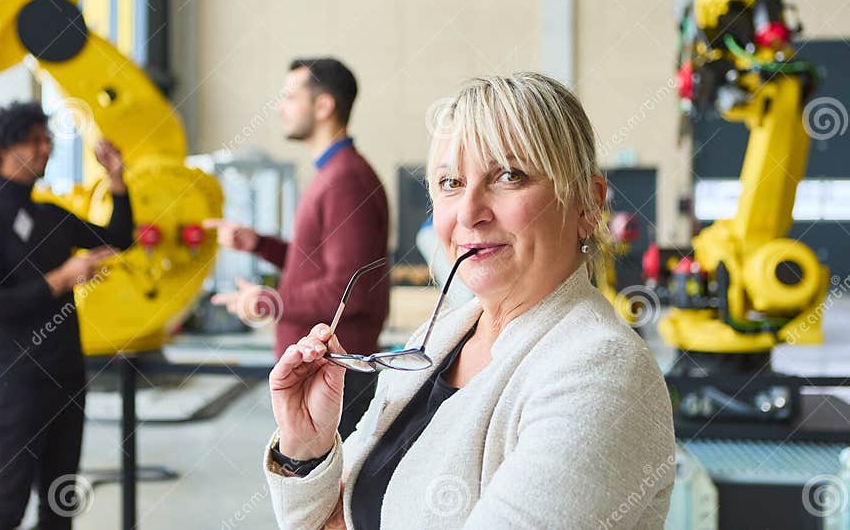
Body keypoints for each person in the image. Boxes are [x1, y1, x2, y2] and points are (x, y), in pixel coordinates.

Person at [262, 73, 675, 529]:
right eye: (451, 182)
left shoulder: (600, 373)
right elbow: (337, 519)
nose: (469, 213)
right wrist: (307, 451)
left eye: (509, 176)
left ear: (587, 205)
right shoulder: (439, 338)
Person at [0, 102, 134, 530]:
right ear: (2, 148)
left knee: (60, 503)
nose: (44, 148)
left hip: (66, 375)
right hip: (16, 381)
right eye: (32, 140)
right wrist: (60, 279)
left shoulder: (49, 215)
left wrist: (116, 179)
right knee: (8, 504)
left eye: (46, 139)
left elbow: (119, 238)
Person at [206, 58, 390, 439]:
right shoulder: (334, 173)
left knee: (327, 491)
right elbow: (317, 263)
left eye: (290, 96)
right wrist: (258, 244)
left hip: (334, 374)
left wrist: (272, 299)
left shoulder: (346, 180)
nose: (279, 107)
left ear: (323, 106)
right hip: (320, 369)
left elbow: (346, 291)